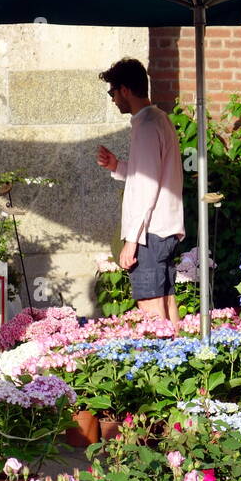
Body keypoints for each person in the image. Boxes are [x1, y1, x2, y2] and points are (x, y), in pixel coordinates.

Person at [95, 58, 184, 325]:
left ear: (124, 90)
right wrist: (118, 166)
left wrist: (132, 240)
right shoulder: (158, 119)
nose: (112, 100)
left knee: (149, 299)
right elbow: (150, 175)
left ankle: (162, 360)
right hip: (162, 227)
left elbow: (146, 187)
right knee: (166, 297)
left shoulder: (146, 126)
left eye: (112, 93)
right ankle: (182, 353)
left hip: (150, 231)